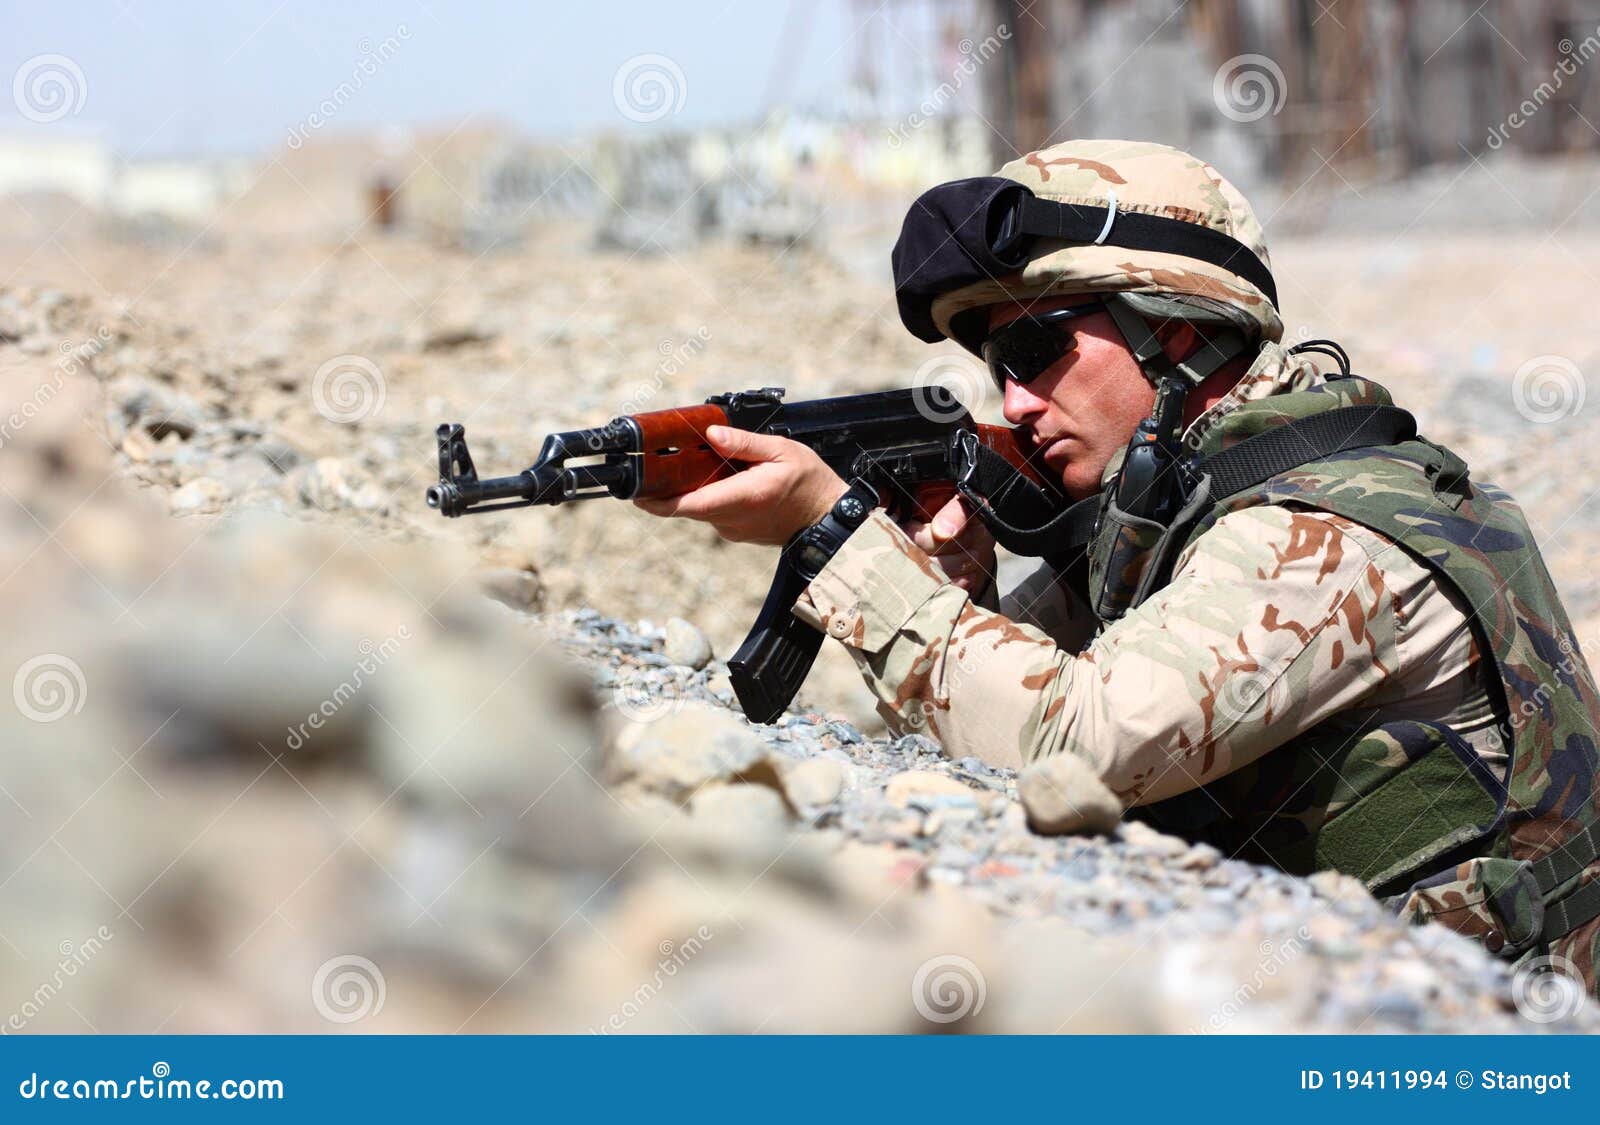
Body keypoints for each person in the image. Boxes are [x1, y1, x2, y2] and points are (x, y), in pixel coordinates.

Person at [635, 139, 1600, 995]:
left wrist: (836, 536)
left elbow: (1073, 744)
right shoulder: (1187, 506)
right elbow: (1008, 724)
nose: (1012, 401)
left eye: (1035, 345)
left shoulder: (1318, 535)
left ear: (1171, 325)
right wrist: (956, 589)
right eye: (993, 363)